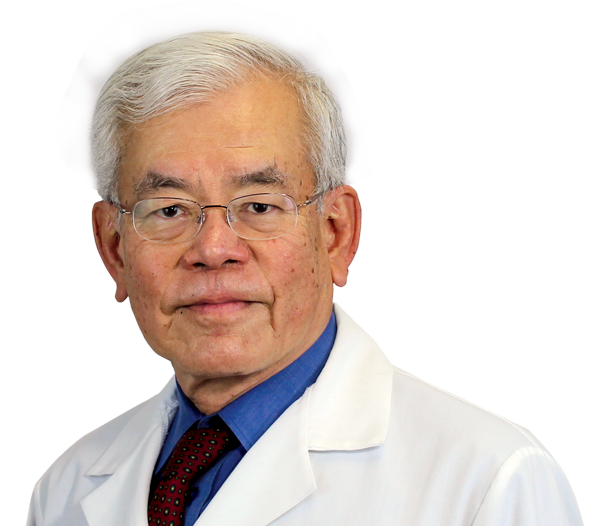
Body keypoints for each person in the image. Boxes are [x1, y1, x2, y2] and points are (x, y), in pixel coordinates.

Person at [29, 30, 583, 526]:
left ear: (336, 233)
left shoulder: (487, 483)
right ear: (114, 248)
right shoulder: (67, 490)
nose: (214, 250)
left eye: (260, 206)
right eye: (169, 210)